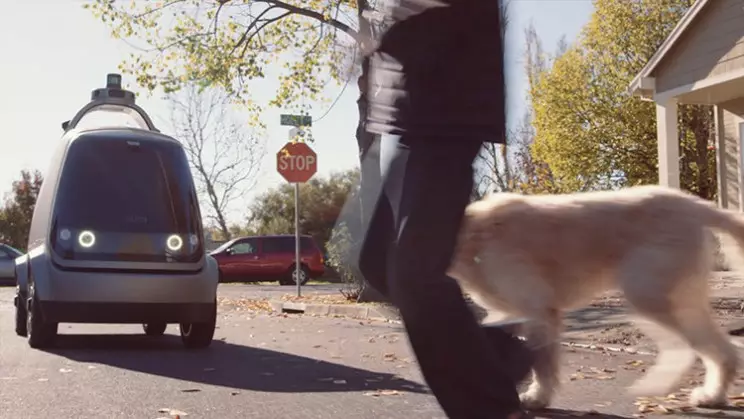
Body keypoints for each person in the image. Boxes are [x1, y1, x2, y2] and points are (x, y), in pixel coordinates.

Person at [352, 0, 535, 418]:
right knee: (380, 263)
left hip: (446, 98)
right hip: (400, 106)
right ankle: (500, 359)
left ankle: (492, 407)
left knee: (415, 274)